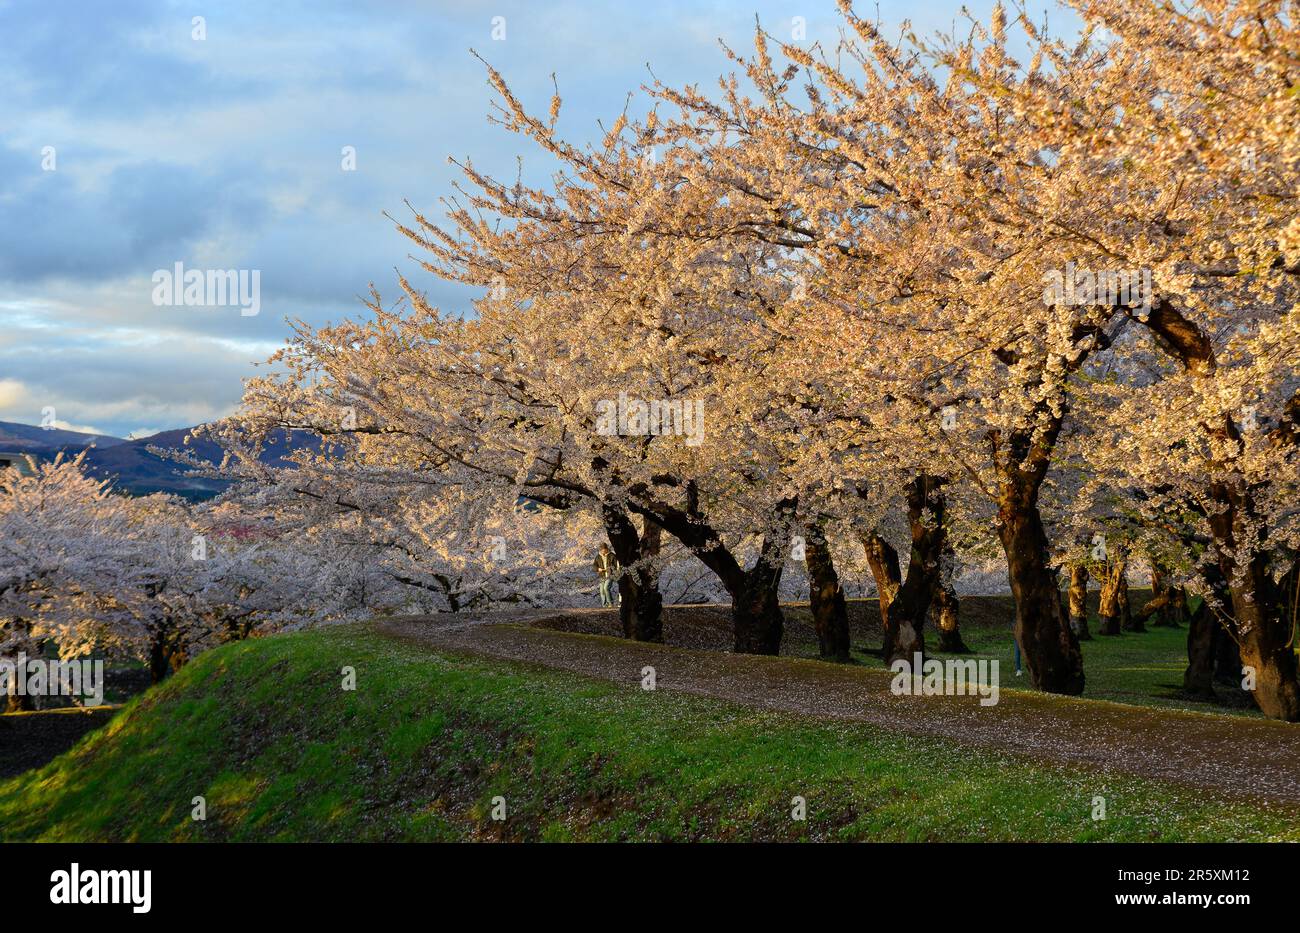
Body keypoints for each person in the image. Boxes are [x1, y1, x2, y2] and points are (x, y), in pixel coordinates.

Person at [593, 543, 620, 608]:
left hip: (610, 575)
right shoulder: (598, 557)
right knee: (602, 590)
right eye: (602, 550)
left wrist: (613, 571)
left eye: (604, 550)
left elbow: (616, 565)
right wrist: (598, 569)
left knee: (606, 588)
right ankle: (604, 605)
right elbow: (594, 566)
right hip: (602, 575)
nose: (603, 551)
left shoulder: (612, 555)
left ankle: (610, 603)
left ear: (607, 549)